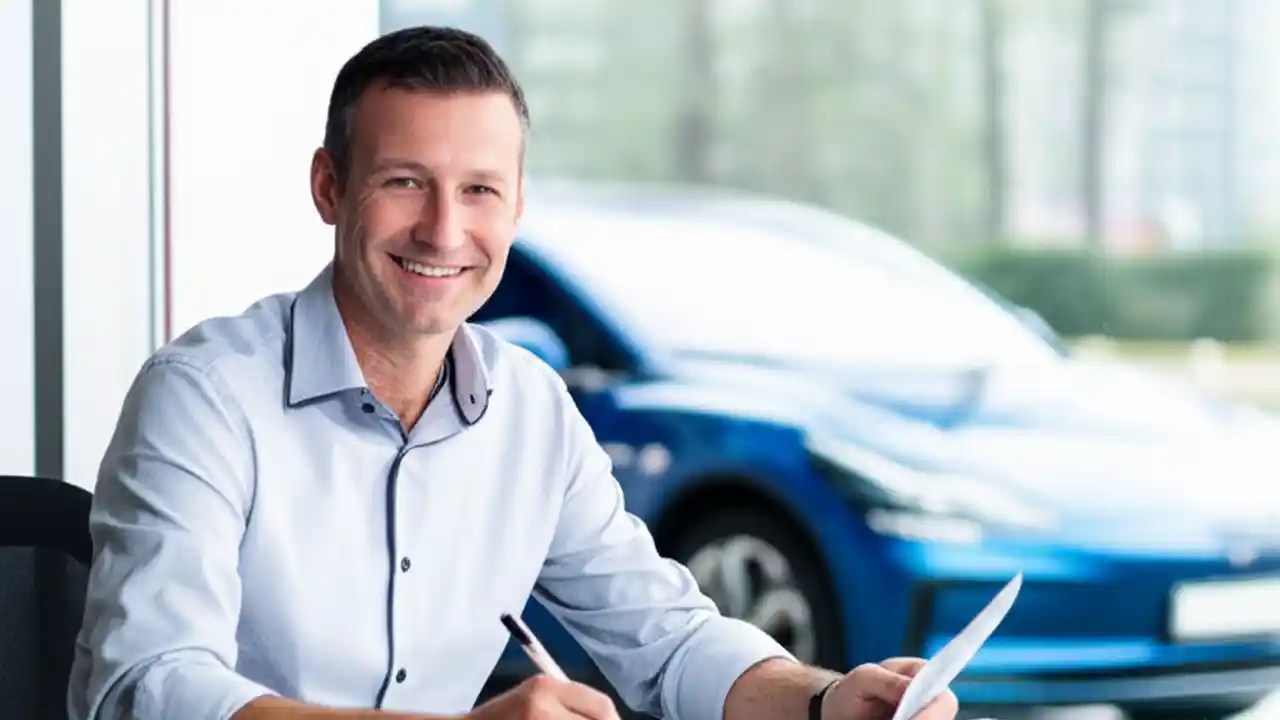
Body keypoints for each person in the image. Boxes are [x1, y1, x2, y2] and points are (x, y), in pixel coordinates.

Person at [68, 25, 959, 720]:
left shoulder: (529, 408)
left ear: (519, 205)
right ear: (330, 188)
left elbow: (669, 641)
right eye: (405, 182)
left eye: (481, 190)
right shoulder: (204, 397)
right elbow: (150, 689)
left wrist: (823, 699)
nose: (445, 230)